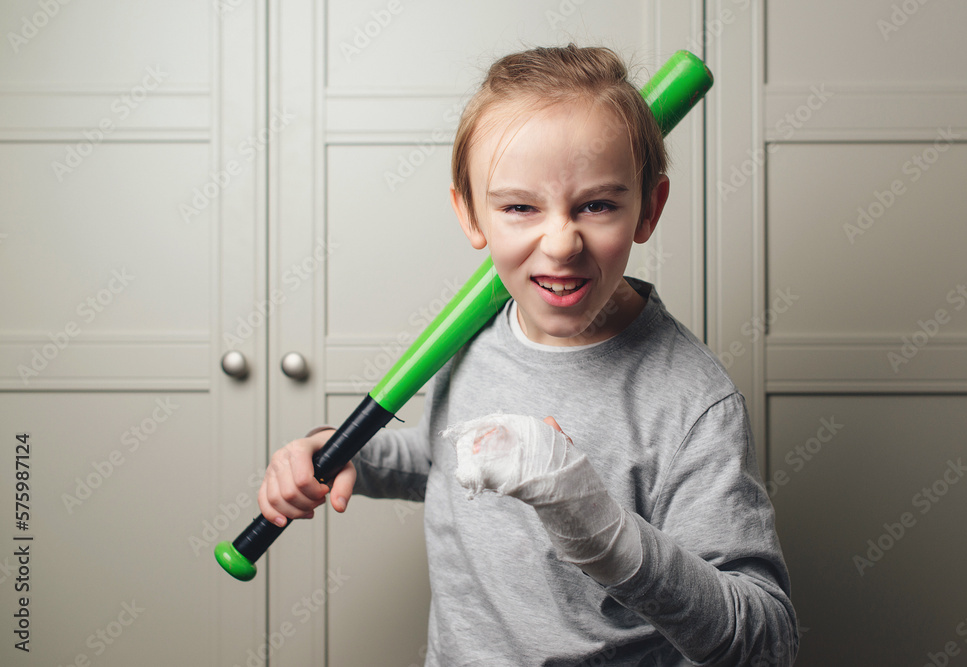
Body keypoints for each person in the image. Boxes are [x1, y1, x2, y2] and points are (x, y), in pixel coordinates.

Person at [257, 44, 798, 666]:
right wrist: (343, 452)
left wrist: (603, 534)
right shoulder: (475, 335)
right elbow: (449, 463)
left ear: (648, 209)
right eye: (519, 207)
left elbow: (767, 641)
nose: (561, 243)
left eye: (597, 205)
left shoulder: (692, 404)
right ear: (471, 214)